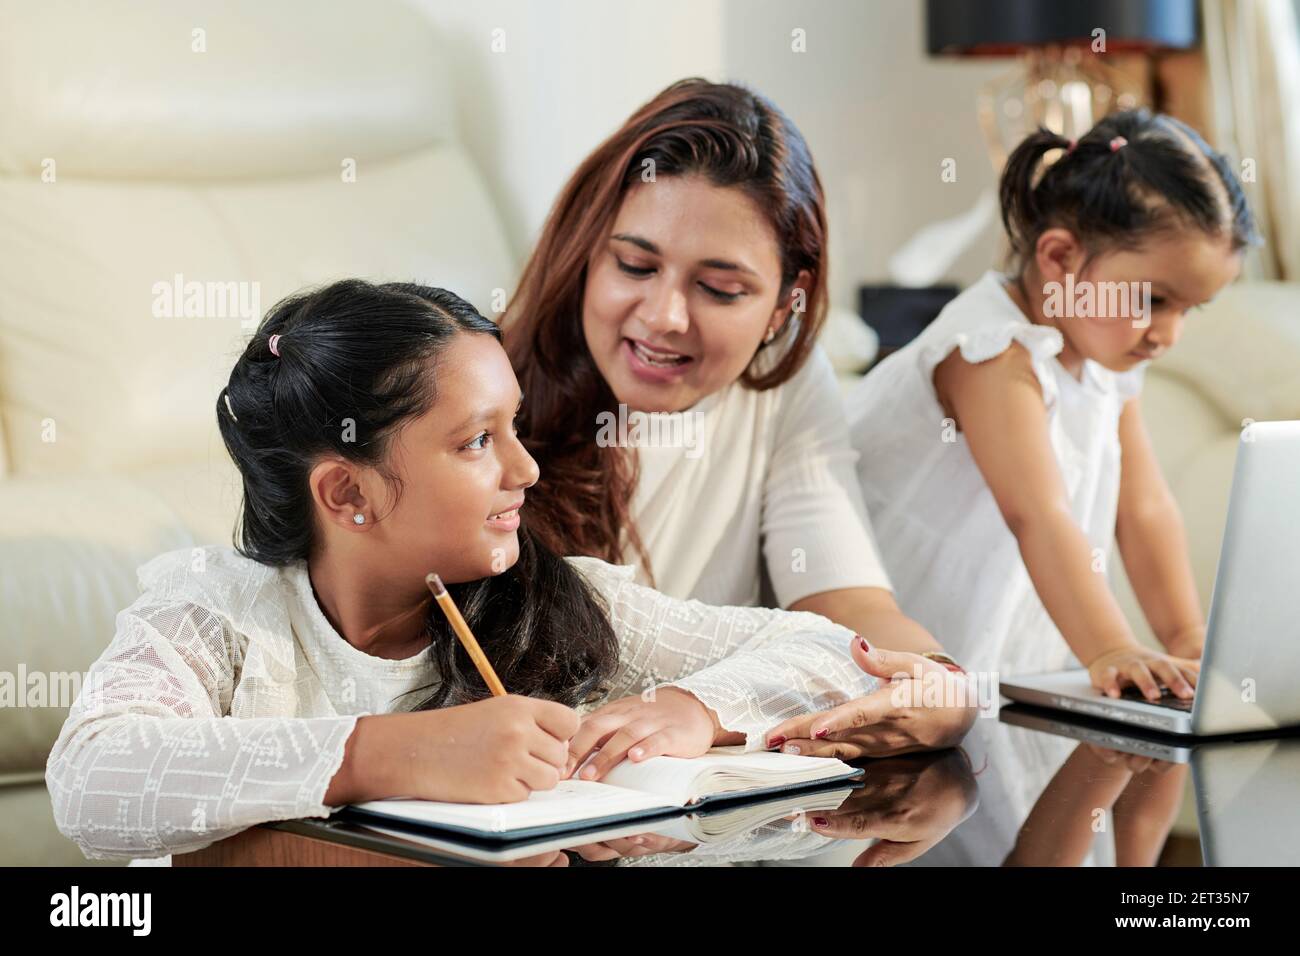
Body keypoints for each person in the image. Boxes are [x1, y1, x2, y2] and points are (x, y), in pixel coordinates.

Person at [45, 280, 888, 862]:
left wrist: (688, 708)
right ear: (348, 492)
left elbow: (829, 652)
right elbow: (91, 780)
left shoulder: (560, 601)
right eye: (478, 440)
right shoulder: (217, 612)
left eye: (513, 428)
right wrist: (394, 755)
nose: (525, 470)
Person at [506, 78, 974, 758]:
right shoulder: (481, 386)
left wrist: (941, 687)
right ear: (586, 251)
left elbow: (847, 609)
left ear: (785, 304)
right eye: (635, 265)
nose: (665, 316)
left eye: (720, 289)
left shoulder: (782, 381)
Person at [842, 109, 1259, 698]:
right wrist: (1111, 646)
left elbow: (1143, 511)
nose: (1167, 333)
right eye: (1154, 298)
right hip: (897, 655)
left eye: (1190, 309)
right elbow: (1037, 513)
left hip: (1011, 657)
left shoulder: (1105, 363)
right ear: (1059, 258)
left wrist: (1188, 637)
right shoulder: (990, 351)